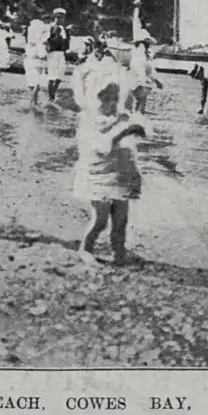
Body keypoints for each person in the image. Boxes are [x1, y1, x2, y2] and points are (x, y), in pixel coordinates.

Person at [73, 63, 146, 266]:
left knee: (121, 220)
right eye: (104, 100)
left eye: (114, 100)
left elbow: (130, 139)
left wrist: (135, 128)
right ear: (92, 100)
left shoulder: (116, 118)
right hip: (98, 177)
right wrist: (124, 130)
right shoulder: (88, 121)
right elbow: (103, 146)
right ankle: (85, 248)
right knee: (100, 219)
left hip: (120, 175)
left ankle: (119, 252)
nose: (110, 104)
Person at [128, 30, 163, 114]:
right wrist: (154, 81)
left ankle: (136, 117)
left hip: (134, 81)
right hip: (140, 81)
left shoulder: (137, 52)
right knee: (141, 102)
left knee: (138, 102)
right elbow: (146, 69)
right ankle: (138, 118)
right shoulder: (141, 53)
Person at [46, 7, 70, 105]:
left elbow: (67, 42)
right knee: (52, 76)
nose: (59, 19)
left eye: (61, 17)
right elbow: (47, 40)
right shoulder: (50, 27)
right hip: (53, 53)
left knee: (60, 76)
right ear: (54, 17)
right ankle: (50, 97)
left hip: (61, 54)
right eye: (58, 17)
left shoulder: (65, 29)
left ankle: (53, 94)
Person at [23, 19, 48, 107]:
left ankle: (33, 101)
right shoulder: (35, 44)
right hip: (34, 63)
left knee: (34, 84)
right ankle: (33, 102)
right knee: (35, 84)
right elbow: (41, 55)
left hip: (35, 63)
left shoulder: (36, 43)